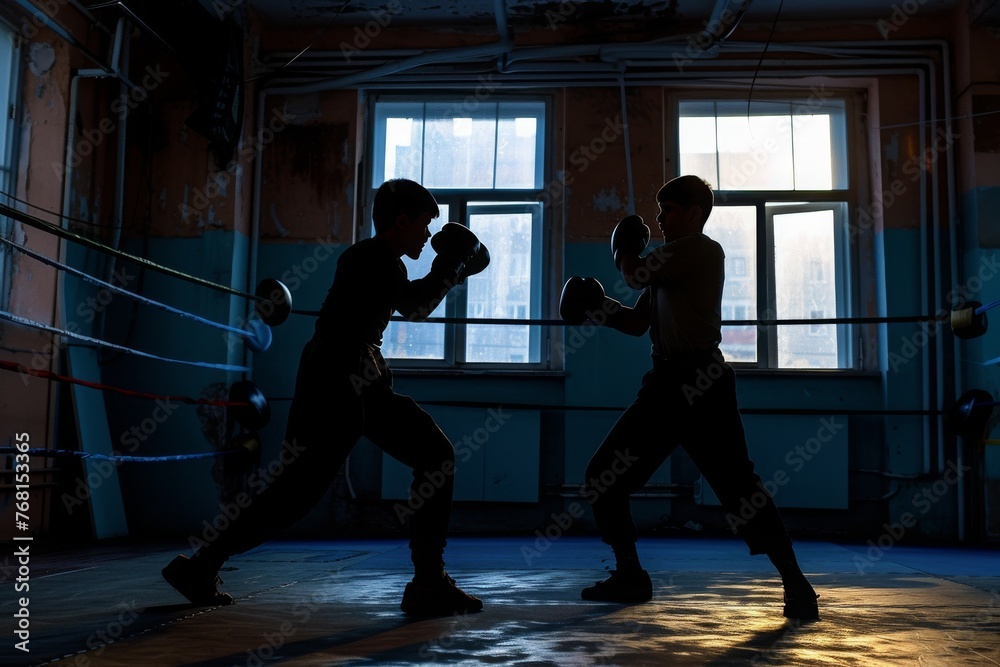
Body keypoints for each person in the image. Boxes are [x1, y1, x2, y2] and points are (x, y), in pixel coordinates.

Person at [163, 178, 489, 617]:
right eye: (425, 225)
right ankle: (200, 566)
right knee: (296, 492)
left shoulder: (379, 261)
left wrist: (450, 270)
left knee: (435, 454)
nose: (428, 236)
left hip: (359, 378)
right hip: (335, 381)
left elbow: (409, 304)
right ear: (401, 221)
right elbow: (414, 306)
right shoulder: (376, 259)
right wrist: (451, 266)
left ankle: (429, 581)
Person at [559, 175, 819, 621]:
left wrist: (622, 248)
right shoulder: (667, 264)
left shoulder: (700, 249)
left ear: (694, 214)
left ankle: (796, 584)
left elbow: (634, 271)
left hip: (702, 382)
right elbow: (637, 323)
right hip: (665, 384)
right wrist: (594, 306)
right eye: (659, 211)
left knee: (741, 488)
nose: (659, 218)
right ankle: (630, 576)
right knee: (604, 475)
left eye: (669, 210)